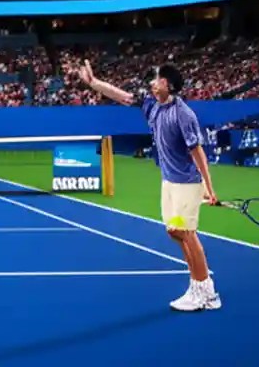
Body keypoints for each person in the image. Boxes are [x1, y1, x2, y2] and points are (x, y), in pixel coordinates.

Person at [75, 60, 221, 312]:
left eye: (157, 79)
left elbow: (197, 152)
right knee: (174, 232)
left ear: (168, 85)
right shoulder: (152, 107)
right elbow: (122, 97)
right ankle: (197, 285)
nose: (152, 83)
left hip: (186, 184)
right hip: (169, 182)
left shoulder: (184, 114)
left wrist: (209, 187)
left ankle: (206, 292)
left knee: (186, 232)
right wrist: (94, 83)